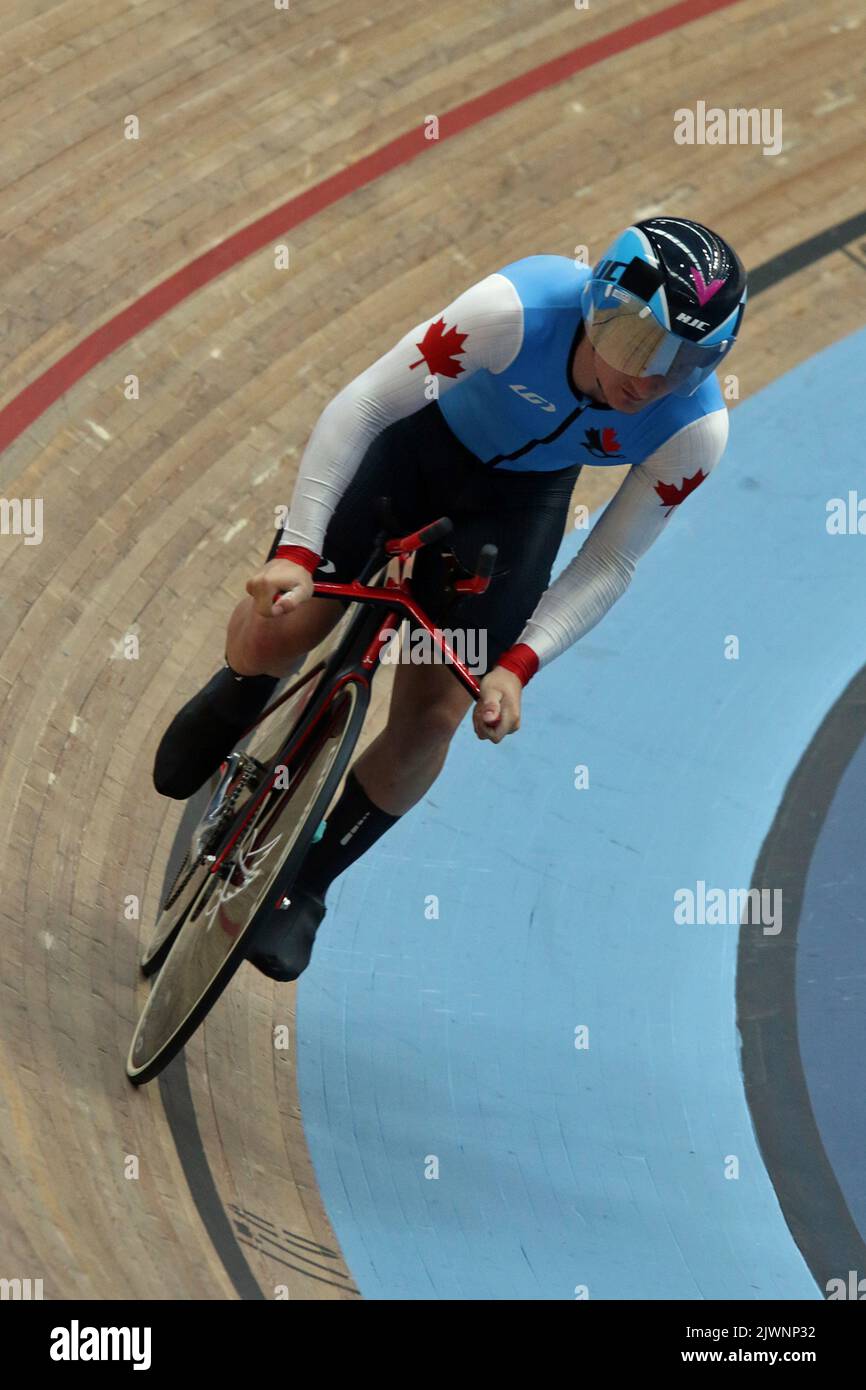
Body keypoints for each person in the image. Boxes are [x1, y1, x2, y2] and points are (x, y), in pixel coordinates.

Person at [153, 215, 747, 981]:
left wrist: (519, 665)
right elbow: (366, 405)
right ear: (598, 306)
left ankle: (305, 884)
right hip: (410, 454)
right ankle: (239, 691)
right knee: (285, 621)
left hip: (512, 513)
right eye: (641, 345)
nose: (652, 380)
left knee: (435, 716)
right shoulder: (516, 310)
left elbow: (610, 560)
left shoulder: (694, 430)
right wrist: (299, 551)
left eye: (686, 362)